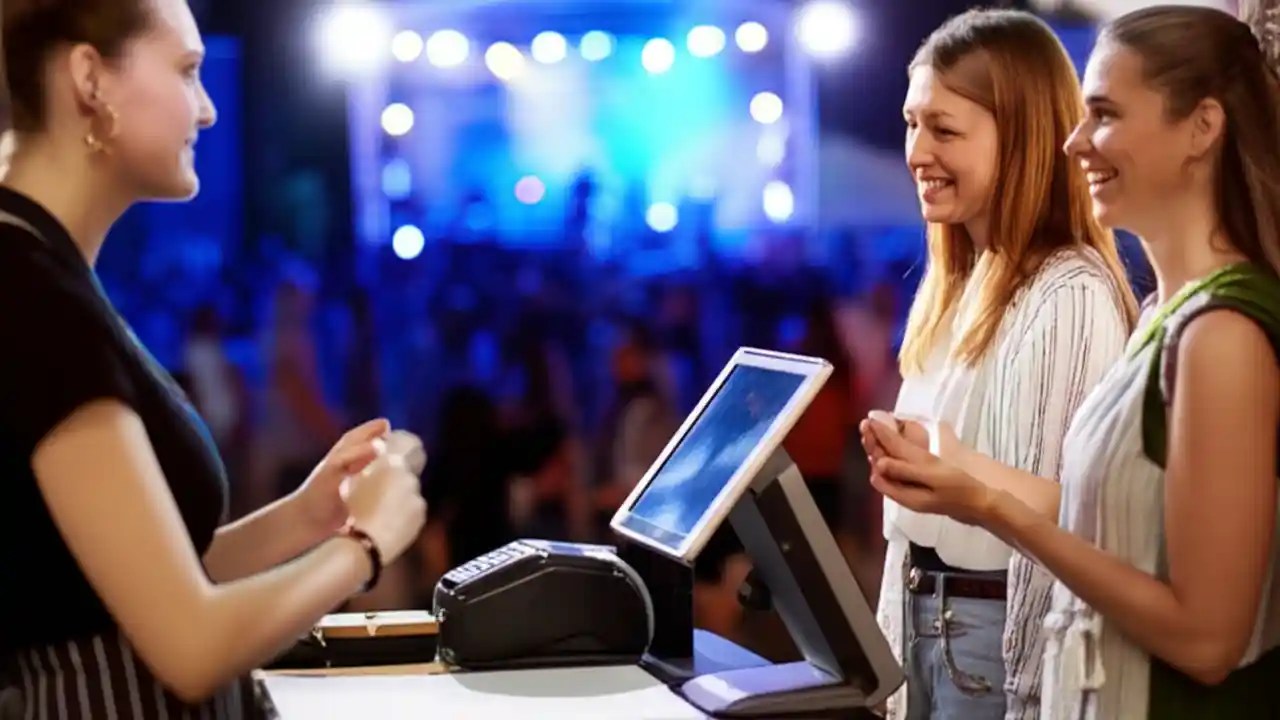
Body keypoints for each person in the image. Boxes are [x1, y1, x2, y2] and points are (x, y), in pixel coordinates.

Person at [0, 1, 428, 717]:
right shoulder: (33, 295)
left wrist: (303, 518)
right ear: (89, 80)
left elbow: (133, 587)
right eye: (187, 71)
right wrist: (365, 547)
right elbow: (188, 646)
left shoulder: (42, 274)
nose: (206, 112)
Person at [863, 4, 1280, 718]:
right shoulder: (1165, 317)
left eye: (1105, 115)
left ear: (1202, 127)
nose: (1074, 142)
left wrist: (981, 496)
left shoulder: (1218, 331)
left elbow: (1208, 638)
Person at [878, 10, 1138, 719]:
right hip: (924, 617)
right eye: (911, 123)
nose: (917, 151)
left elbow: (1085, 514)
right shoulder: (957, 276)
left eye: (945, 129)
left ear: (1021, 134)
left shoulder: (1071, 290)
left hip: (991, 637)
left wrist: (958, 473)